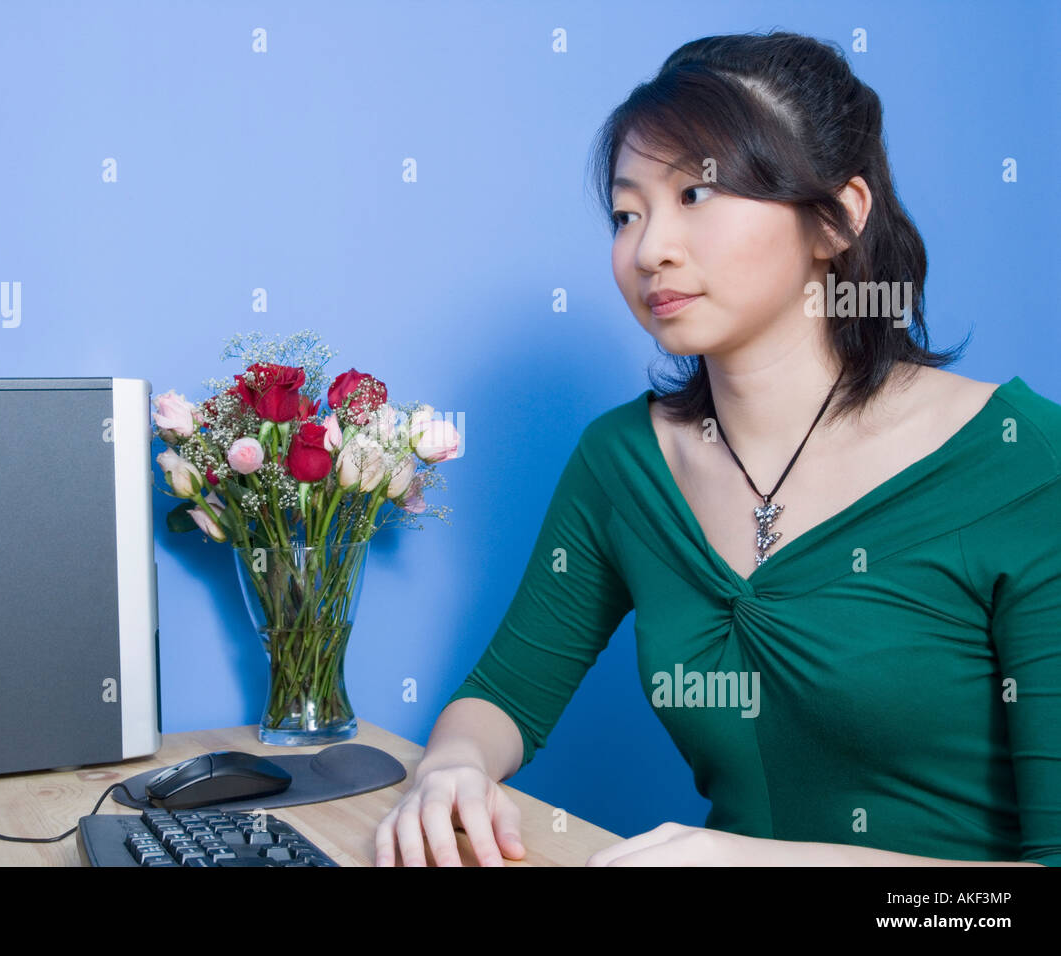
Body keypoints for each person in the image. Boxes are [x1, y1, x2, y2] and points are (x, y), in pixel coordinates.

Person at [373, 30, 1060, 867]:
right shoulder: (622, 463)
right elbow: (503, 697)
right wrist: (455, 764)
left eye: (697, 193)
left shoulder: (1026, 464)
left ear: (838, 219)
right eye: (628, 213)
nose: (650, 248)